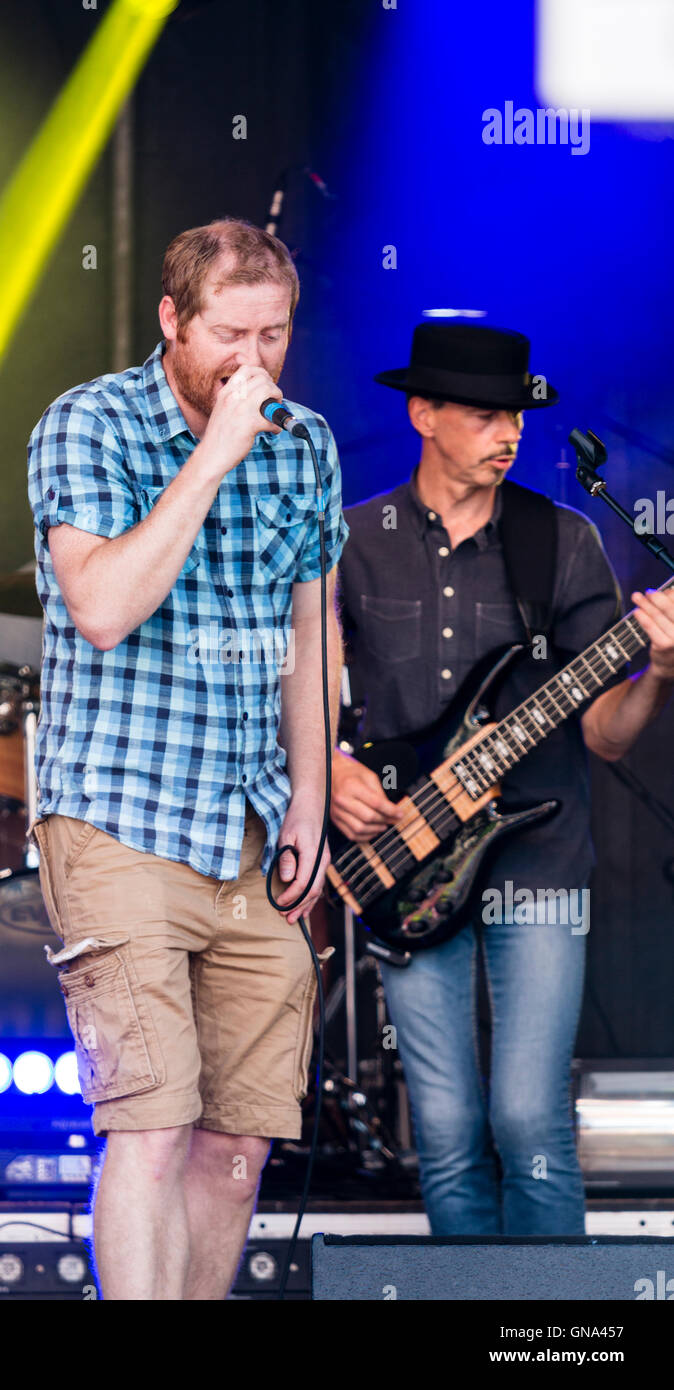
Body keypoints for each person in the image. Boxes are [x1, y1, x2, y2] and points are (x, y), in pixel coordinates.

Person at [26, 218, 347, 1299]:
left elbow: (312, 629)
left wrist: (309, 795)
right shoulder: (88, 425)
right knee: (152, 1124)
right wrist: (212, 455)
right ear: (171, 321)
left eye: (273, 331)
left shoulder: (304, 443)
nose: (250, 358)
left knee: (238, 1140)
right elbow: (105, 607)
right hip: (119, 814)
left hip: (251, 828)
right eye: (225, 332)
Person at [333, 320, 674, 1236]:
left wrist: (661, 674)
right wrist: (328, 767)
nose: (508, 432)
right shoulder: (355, 541)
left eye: (515, 414)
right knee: (444, 1132)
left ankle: (547, 1334)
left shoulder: (560, 542)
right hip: (401, 863)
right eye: (484, 414)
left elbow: (603, 734)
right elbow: (306, 694)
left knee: (529, 1123)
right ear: (423, 413)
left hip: (539, 865)